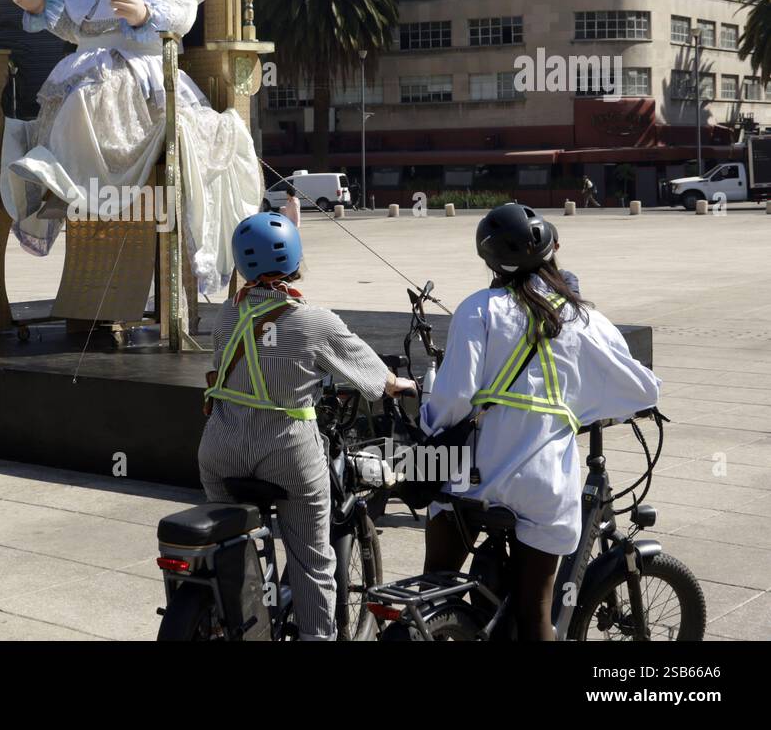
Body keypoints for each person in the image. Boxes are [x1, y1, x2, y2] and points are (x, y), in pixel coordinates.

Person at [3, 0, 261, 293]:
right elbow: (77, 28)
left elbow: (180, 17)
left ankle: (63, 172)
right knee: (76, 97)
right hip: (91, 75)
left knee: (90, 97)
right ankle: (60, 178)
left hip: (143, 81)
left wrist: (147, 13)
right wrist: (42, 4)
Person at [418, 203, 660, 641]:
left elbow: (452, 398)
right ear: (552, 250)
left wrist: (429, 425)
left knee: (435, 583)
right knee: (536, 610)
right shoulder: (582, 317)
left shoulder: (478, 308)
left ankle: (436, 617)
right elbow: (643, 391)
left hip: (469, 476)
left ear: (490, 261)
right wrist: (585, 409)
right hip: (543, 484)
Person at [199, 212, 415, 640]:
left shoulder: (227, 315)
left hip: (219, 450)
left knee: (232, 546)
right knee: (312, 561)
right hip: (288, 452)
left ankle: (236, 620)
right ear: (295, 258)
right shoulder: (315, 321)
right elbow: (375, 378)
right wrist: (401, 384)